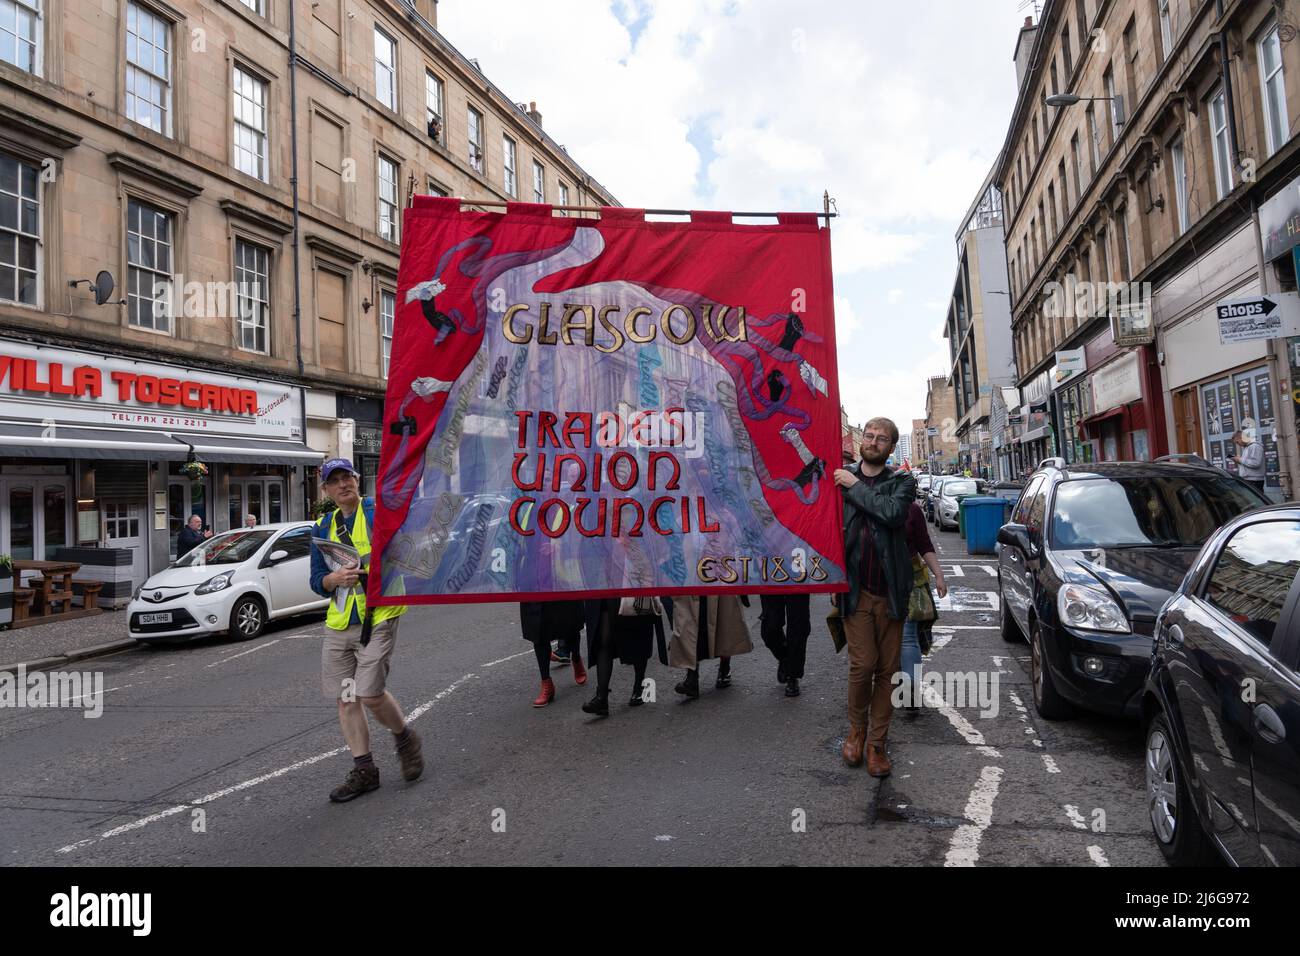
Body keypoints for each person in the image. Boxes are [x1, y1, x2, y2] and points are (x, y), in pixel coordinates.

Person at [308, 458, 422, 803]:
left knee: (370, 694)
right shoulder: (322, 527)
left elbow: (404, 546)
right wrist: (331, 579)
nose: (343, 485)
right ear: (326, 490)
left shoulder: (375, 512)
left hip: (379, 614)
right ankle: (365, 770)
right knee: (346, 698)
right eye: (335, 481)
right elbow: (316, 581)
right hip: (341, 620)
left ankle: (405, 738)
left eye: (348, 478)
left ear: (358, 482)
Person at [832, 417, 917, 778]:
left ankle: (877, 744)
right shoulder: (838, 477)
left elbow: (892, 513)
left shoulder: (902, 481)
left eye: (882, 438)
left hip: (891, 590)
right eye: (869, 435)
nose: (873, 441)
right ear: (861, 439)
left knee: (887, 670)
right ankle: (856, 729)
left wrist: (853, 486)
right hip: (855, 590)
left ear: (892, 447)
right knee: (862, 665)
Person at [899, 501, 948, 716]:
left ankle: (908, 691)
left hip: (906, 578)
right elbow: (924, 544)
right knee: (902, 637)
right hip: (885, 579)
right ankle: (904, 686)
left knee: (905, 635)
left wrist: (939, 575)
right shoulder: (911, 507)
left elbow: (924, 544)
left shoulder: (911, 509)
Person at [580, 597, 665, 717]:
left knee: (637, 630)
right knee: (604, 638)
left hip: (631, 583)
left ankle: (639, 684)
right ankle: (602, 696)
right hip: (602, 585)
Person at [669, 593, 752, 698]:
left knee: (723, 619)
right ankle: (692, 678)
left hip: (719, 581)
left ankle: (724, 667)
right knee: (690, 625)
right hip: (692, 582)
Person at [520, 599, 586, 706]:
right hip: (534, 586)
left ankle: (576, 657)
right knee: (538, 628)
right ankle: (546, 682)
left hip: (560, 584)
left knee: (570, 621)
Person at [758, 593, 810, 697]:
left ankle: (793, 675)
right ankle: (785, 658)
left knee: (798, 626)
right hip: (770, 581)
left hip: (799, 581)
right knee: (770, 627)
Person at [1232, 430, 1266, 495]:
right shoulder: (1247, 447)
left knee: (1257, 502)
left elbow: (1256, 463)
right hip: (1250, 480)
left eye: (1237, 442)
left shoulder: (1255, 446)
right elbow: (1248, 463)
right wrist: (1239, 460)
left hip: (1254, 481)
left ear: (1241, 438)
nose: (1237, 444)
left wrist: (1240, 460)